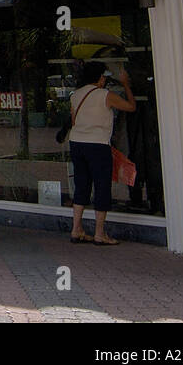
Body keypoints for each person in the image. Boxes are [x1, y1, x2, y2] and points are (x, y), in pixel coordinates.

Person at [69, 61, 136, 245]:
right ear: (99, 77)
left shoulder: (76, 95)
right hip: (97, 145)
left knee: (81, 184)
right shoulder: (105, 95)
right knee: (101, 185)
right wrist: (126, 84)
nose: (105, 80)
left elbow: (74, 120)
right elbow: (131, 107)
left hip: (77, 143)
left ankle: (76, 229)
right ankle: (99, 233)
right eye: (104, 76)